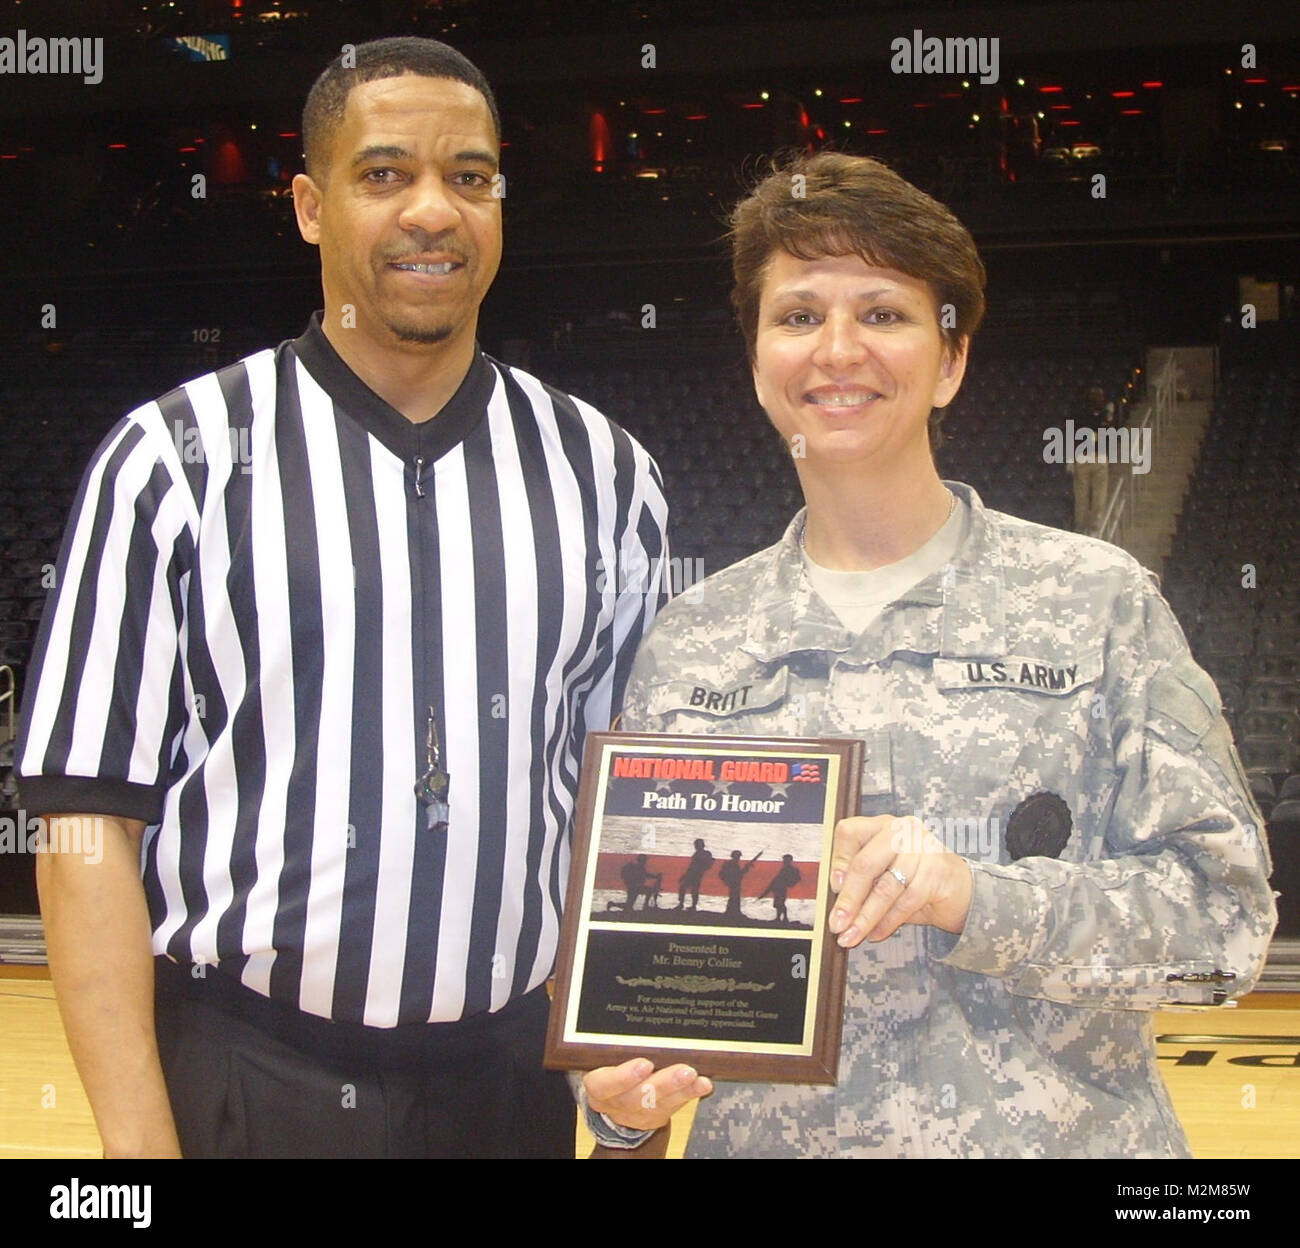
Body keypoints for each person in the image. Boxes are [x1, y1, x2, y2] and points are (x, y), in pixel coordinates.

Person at [17, 38, 671, 1159]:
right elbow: (84, 826)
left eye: (470, 176)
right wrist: (140, 1158)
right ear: (312, 207)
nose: (434, 210)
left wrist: (624, 1124)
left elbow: (631, 812)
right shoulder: (171, 457)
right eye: (384, 175)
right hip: (244, 1070)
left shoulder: (607, 472)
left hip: (507, 1080)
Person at [583, 151, 1275, 1157]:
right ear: (756, 357)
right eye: (798, 315)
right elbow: (652, 1006)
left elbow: (1221, 937)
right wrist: (622, 1112)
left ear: (950, 360)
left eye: (883, 313)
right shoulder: (691, 640)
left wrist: (971, 897)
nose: (836, 350)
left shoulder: (1098, 605)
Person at [1070, 383, 1119, 535]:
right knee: (1081, 497)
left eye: (1100, 397)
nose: (1097, 399)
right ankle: (1081, 527)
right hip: (1083, 457)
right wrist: (1071, 459)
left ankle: (1095, 528)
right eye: (1094, 396)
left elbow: (1112, 436)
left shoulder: (1106, 416)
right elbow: (1071, 437)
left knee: (1099, 497)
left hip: (1100, 458)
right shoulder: (1079, 415)